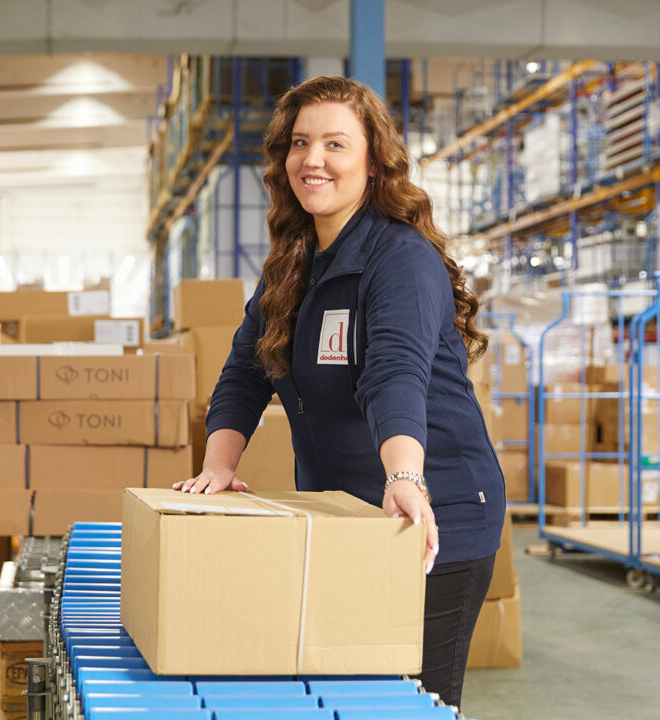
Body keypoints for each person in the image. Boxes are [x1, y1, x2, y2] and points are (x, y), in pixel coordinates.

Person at [174, 76, 505, 708]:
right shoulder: (294, 264)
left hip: (429, 519)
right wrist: (219, 464)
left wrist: (406, 477)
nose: (313, 160)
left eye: (335, 143)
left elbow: (394, 373)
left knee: (409, 702)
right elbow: (244, 371)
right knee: (347, 696)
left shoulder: (399, 259)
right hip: (345, 515)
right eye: (300, 144)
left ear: (374, 161)